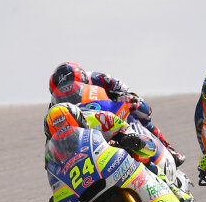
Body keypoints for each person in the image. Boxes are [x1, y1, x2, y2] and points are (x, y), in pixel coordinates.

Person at [42, 102, 197, 202]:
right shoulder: (50, 153)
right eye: (60, 135)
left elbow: (126, 130)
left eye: (71, 130)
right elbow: (57, 175)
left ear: (82, 121)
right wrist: (55, 196)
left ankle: (174, 190)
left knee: (136, 151)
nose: (66, 138)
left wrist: (128, 140)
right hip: (86, 176)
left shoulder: (100, 119)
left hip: (110, 154)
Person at [48, 61, 187, 166]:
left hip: (109, 113)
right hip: (85, 125)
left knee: (141, 113)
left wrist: (128, 99)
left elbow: (135, 99)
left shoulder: (101, 79)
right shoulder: (54, 104)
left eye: (72, 90)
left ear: (83, 81)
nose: (68, 97)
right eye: (63, 94)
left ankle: (168, 149)